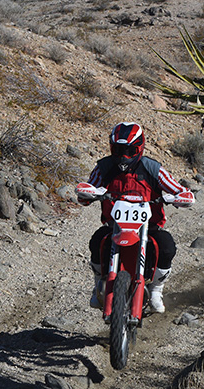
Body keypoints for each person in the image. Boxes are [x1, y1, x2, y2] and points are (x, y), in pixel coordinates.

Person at [80, 122, 194, 313]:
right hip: (114, 226)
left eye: (129, 150)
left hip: (149, 228)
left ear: (139, 148)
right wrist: (88, 194)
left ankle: (156, 290)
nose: (123, 156)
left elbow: (178, 189)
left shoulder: (152, 168)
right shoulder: (104, 168)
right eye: (118, 150)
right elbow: (87, 192)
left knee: (166, 247)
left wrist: (180, 196)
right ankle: (98, 284)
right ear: (111, 148)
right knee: (96, 242)